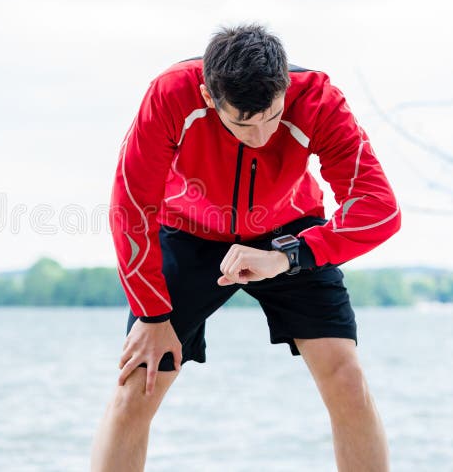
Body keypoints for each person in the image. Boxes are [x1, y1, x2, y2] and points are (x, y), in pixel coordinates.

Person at [91, 24, 401, 472]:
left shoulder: (317, 99)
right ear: (207, 95)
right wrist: (152, 314)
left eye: (273, 117)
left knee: (347, 378)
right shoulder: (170, 94)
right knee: (137, 384)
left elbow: (380, 208)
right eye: (241, 123)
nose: (260, 137)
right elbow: (132, 205)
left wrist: (286, 256)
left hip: (289, 233)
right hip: (187, 232)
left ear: (284, 89)